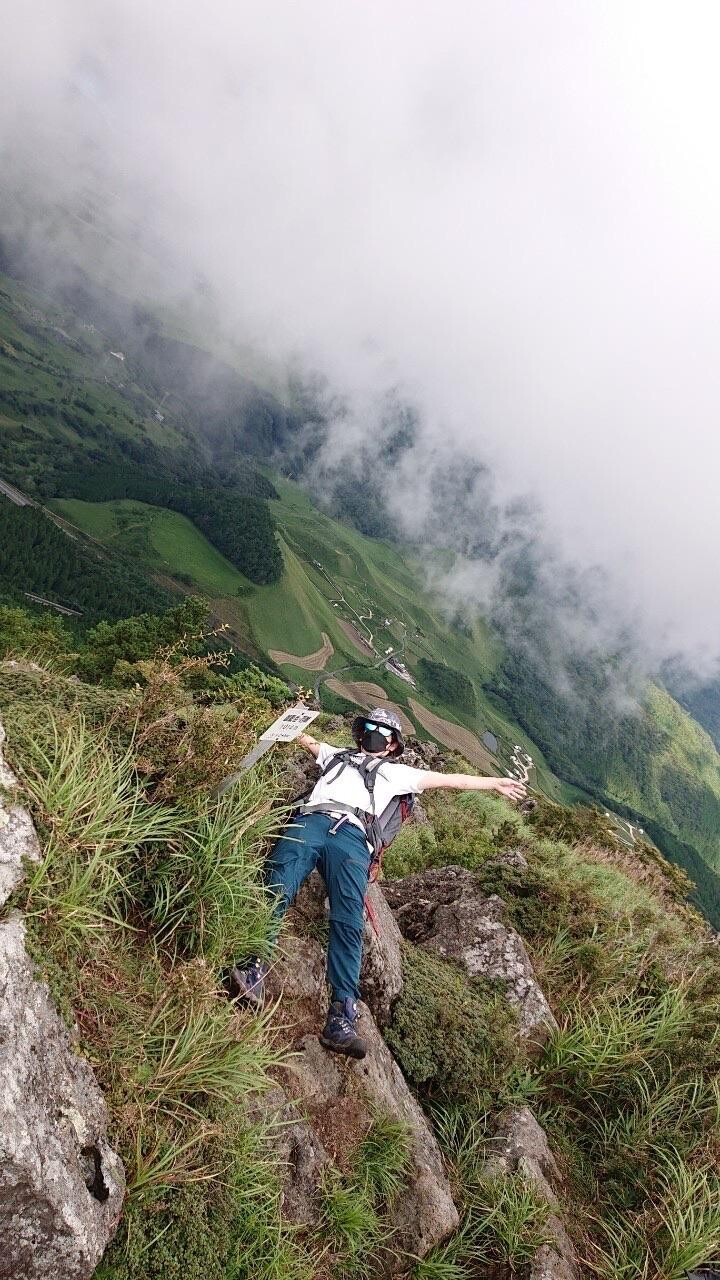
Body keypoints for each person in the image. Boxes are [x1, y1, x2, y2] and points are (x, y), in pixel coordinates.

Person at [230, 708, 527, 1059]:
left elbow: (450, 779)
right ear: (359, 732)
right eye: (369, 727)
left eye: (382, 732)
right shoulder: (335, 755)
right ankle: (253, 964)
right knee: (279, 880)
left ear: (392, 745)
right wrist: (287, 715)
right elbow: (305, 738)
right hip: (314, 818)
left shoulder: (397, 774)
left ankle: (341, 1015)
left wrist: (494, 783)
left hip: (354, 839)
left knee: (349, 920)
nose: (374, 734)